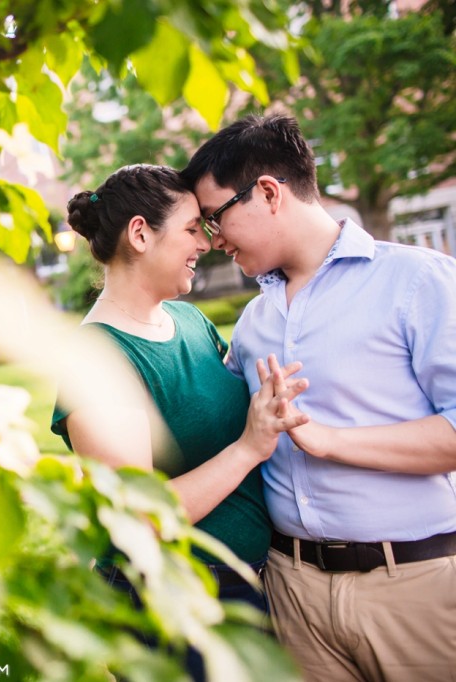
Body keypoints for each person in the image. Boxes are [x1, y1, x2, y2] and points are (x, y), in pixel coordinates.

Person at [181, 113, 456, 682]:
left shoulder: (416, 281)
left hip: (415, 585)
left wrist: (328, 440)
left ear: (267, 192)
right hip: (292, 591)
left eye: (214, 219)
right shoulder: (254, 320)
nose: (213, 242)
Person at [50, 164, 309, 680]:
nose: (207, 242)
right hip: (176, 603)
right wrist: (248, 448)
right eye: (193, 228)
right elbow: (142, 516)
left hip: (251, 585)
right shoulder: (97, 357)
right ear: (141, 233)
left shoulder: (188, 319)